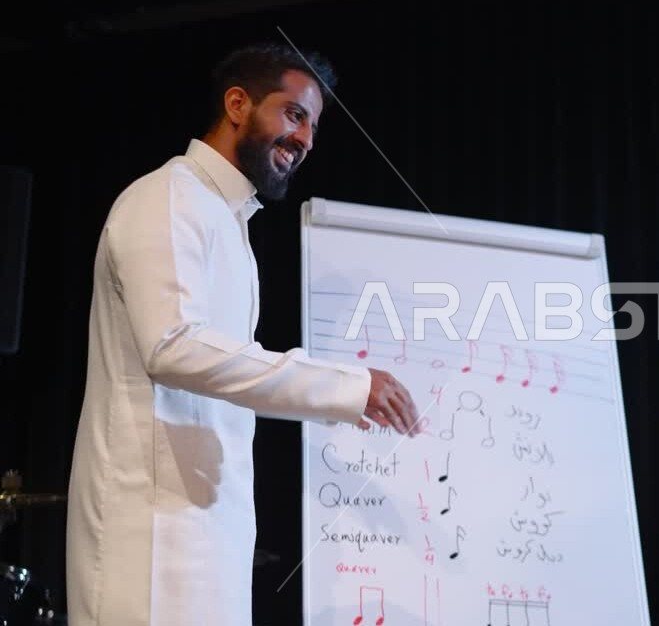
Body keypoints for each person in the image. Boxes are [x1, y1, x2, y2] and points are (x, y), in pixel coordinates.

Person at [65, 42, 419, 626]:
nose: (305, 140)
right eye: (294, 114)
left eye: (313, 126)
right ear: (237, 105)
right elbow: (172, 347)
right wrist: (346, 386)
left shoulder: (227, 221)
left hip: (207, 530)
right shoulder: (167, 198)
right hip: (149, 536)